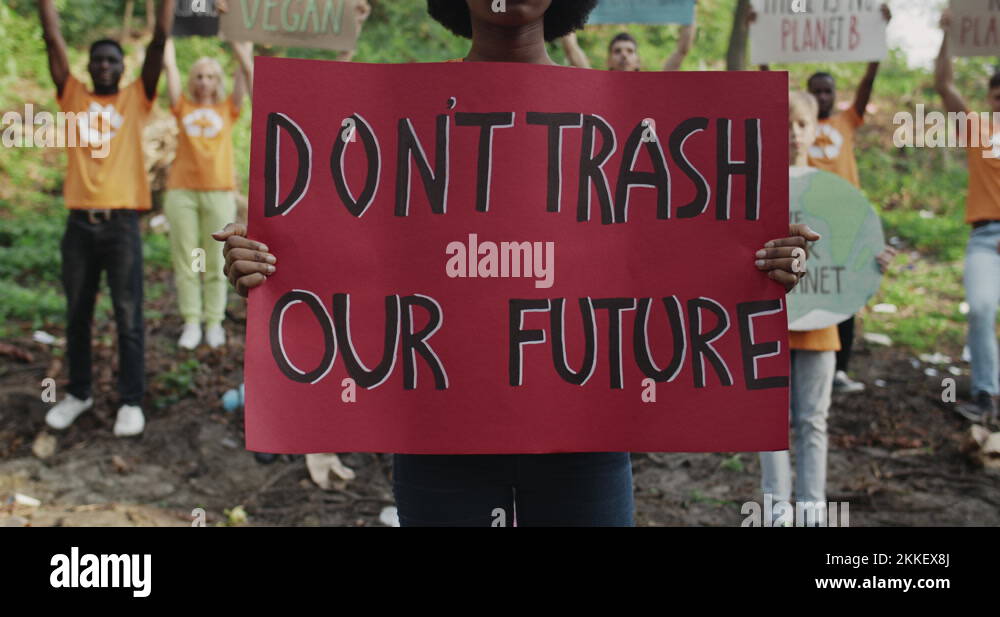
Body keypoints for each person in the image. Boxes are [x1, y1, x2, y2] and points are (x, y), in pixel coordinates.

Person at [214, 0, 819, 527]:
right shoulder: (398, 110)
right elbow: (348, 249)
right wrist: (266, 266)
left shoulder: (625, 114)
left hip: (587, 438)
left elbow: (670, 258)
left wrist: (757, 266)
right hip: (438, 434)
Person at [39, 0, 174, 437]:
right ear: (88, 65)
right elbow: (52, 39)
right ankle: (79, 393)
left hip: (121, 227)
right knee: (77, 314)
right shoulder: (72, 94)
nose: (103, 65)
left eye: (111, 60)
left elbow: (158, 42)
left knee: (128, 315)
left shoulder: (137, 98)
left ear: (121, 67)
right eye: (97, 58)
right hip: (79, 225)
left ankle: (131, 401)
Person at [752, 4, 893, 394]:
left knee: (841, 287)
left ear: (835, 95)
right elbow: (776, 96)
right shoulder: (799, 127)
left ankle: (841, 368)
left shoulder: (846, 122)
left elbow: (866, 90)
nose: (822, 95)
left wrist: (877, 43)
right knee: (808, 281)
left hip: (840, 217)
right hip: (805, 214)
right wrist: (761, 51)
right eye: (815, 91)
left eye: (827, 90)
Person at [759, 92, 840, 527]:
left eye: (803, 124)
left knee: (813, 419)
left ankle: (812, 512)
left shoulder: (835, 189)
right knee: (770, 421)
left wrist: (876, 259)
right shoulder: (759, 185)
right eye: (786, 124)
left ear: (815, 129)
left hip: (821, 323)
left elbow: (855, 247)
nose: (794, 133)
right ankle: (775, 513)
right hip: (770, 321)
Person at [162, 38, 253, 350]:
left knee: (216, 260)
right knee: (188, 260)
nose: (204, 82)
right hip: (182, 192)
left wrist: (245, 40)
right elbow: (169, 66)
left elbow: (245, 72)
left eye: (211, 76)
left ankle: (214, 321)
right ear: (192, 80)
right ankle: (191, 320)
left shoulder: (228, 108)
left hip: (219, 192)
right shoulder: (182, 106)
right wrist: (167, 37)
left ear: (218, 81)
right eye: (199, 76)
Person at [935, 10, 1000, 425]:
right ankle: (986, 394)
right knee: (979, 309)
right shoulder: (979, 129)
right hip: (984, 237)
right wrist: (947, 35)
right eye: (998, 93)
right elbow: (943, 84)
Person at [561, 0, 697, 71]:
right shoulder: (596, 83)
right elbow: (571, 49)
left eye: (630, 51)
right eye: (617, 51)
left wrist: (689, 7)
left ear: (638, 61)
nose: (624, 55)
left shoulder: (651, 87)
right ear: (608, 61)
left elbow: (682, 51)